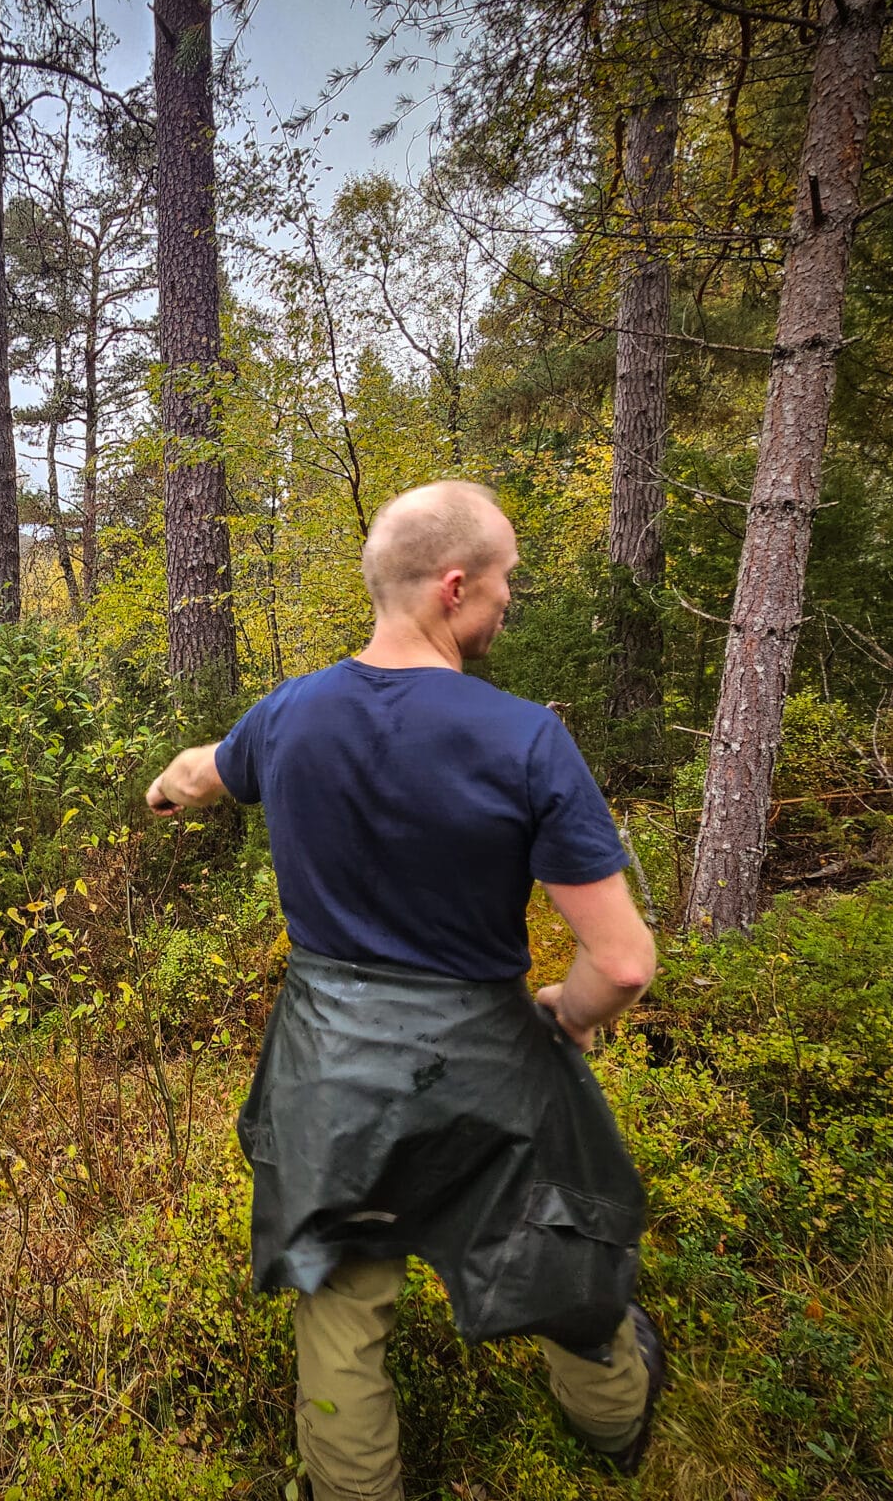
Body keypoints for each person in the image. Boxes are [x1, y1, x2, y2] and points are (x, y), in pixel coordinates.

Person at [145, 481, 666, 1498]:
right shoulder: (522, 739)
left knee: (339, 1295)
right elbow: (622, 962)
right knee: (561, 1256)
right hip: (485, 1060)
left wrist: (167, 788)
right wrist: (565, 1011)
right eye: (506, 578)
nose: (510, 598)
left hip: (327, 1065)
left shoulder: (288, 713)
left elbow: (205, 772)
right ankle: (611, 1429)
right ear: (453, 586)